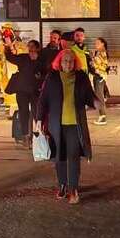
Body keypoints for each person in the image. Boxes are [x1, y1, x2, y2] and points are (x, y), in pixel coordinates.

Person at [37, 47, 95, 204]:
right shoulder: (52, 77)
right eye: (65, 61)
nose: (68, 64)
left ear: (75, 63)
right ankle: (62, 184)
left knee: (73, 157)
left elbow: (90, 96)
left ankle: (73, 188)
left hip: (75, 124)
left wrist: (96, 102)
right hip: (57, 125)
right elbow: (43, 100)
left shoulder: (81, 77)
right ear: (59, 62)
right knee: (59, 157)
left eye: (71, 61)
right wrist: (38, 119)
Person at [4, 37, 44, 142]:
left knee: (37, 113)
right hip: (22, 91)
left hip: (36, 91)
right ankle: (25, 135)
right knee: (23, 112)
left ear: (38, 49)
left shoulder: (42, 60)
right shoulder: (23, 58)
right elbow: (9, 57)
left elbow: (46, 72)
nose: (30, 49)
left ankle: (40, 135)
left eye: (33, 47)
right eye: (29, 47)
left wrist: (40, 76)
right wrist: (8, 46)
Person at [90, 37, 111, 122]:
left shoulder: (102, 52)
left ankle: (102, 117)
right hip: (99, 76)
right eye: (95, 43)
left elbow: (97, 64)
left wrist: (92, 58)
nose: (96, 44)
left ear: (103, 44)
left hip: (99, 76)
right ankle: (106, 93)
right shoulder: (99, 53)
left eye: (98, 43)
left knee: (99, 97)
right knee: (99, 96)